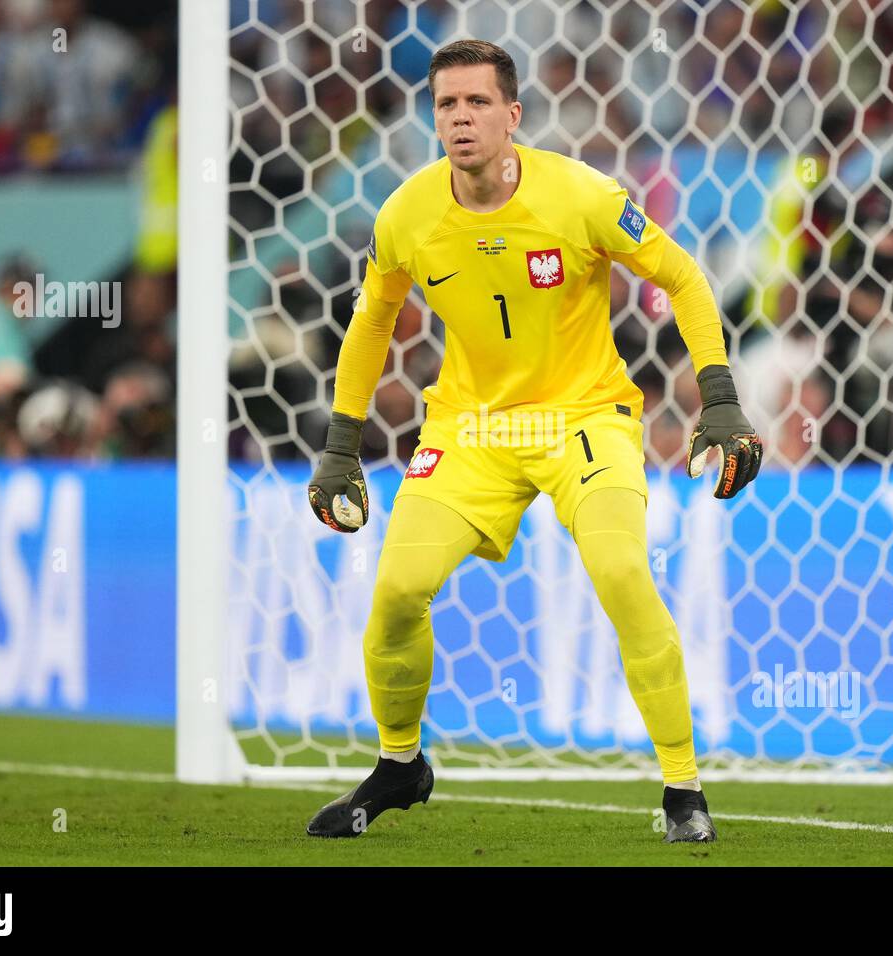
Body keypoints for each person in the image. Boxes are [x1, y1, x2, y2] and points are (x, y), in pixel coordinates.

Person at [305, 39, 762, 843]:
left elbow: (682, 276)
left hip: (585, 418)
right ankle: (400, 764)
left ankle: (683, 789)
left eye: (478, 103)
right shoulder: (408, 213)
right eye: (447, 104)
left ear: (512, 115)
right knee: (398, 592)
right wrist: (342, 442)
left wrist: (719, 398)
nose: (461, 118)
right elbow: (373, 319)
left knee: (622, 570)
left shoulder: (581, 196)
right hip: (469, 429)